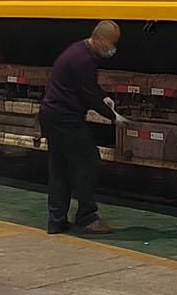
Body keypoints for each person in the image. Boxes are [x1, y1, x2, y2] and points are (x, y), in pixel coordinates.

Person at [40, 21, 127, 235]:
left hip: (52, 116)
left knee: (60, 168)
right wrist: (113, 116)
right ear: (99, 39)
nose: (113, 49)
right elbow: (87, 94)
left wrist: (104, 98)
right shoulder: (83, 59)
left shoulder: (79, 51)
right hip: (65, 119)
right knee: (88, 161)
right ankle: (87, 217)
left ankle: (56, 221)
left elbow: (89, 88)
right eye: (111, 43)